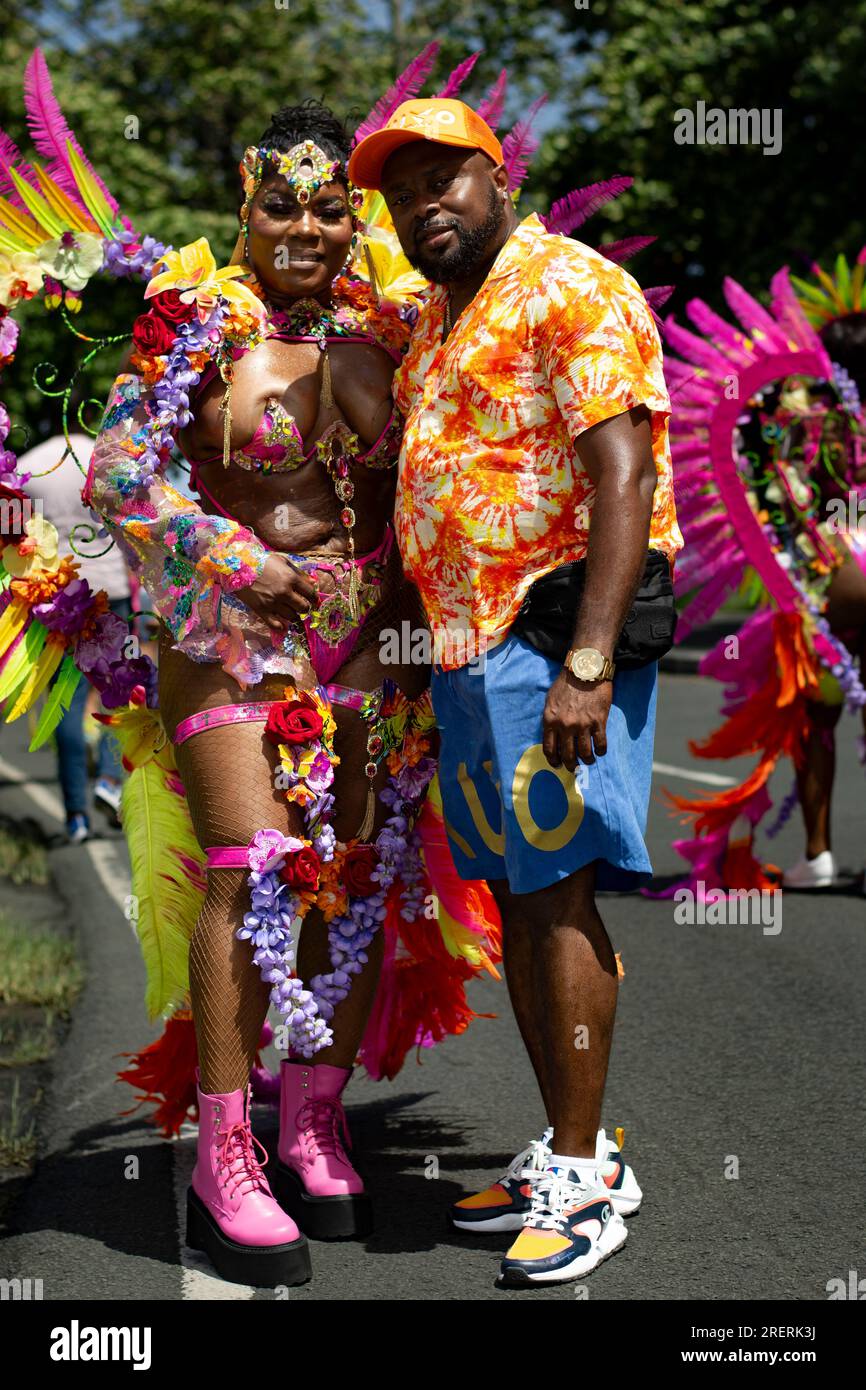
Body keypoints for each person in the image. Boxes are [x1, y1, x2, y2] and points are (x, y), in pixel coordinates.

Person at [86, 101, 452, 1286]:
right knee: (252, 874)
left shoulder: (398, 326)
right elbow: (119, 474)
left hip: (372, 641)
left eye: (328, 205)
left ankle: (310, 1120)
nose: (304, 225)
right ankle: (225, 1150)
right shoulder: (193, 322)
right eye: (279, 203)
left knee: (350, 883)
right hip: (230, 628)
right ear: (242, 211)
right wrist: (244, 562)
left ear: (355, 217)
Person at [348, 98, 683, 1286]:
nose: (422, 204)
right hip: (464, 652)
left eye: (444, 178)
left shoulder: (566, 282)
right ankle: (566, 1149)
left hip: (548, 640)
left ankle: (586, 1175)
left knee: (553, 897)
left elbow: (623, 469)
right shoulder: (441, 321)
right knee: (517, 895)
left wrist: (587, 660)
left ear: (498, 177)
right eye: (401, 192)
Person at [17, 434, 130, 841]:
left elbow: (13, 536)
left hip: (55, 594)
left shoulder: (29, 467)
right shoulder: (107, 459)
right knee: (117, 689)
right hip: (110, 588)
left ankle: (76, 817)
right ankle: (109, 781)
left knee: (65, 699)